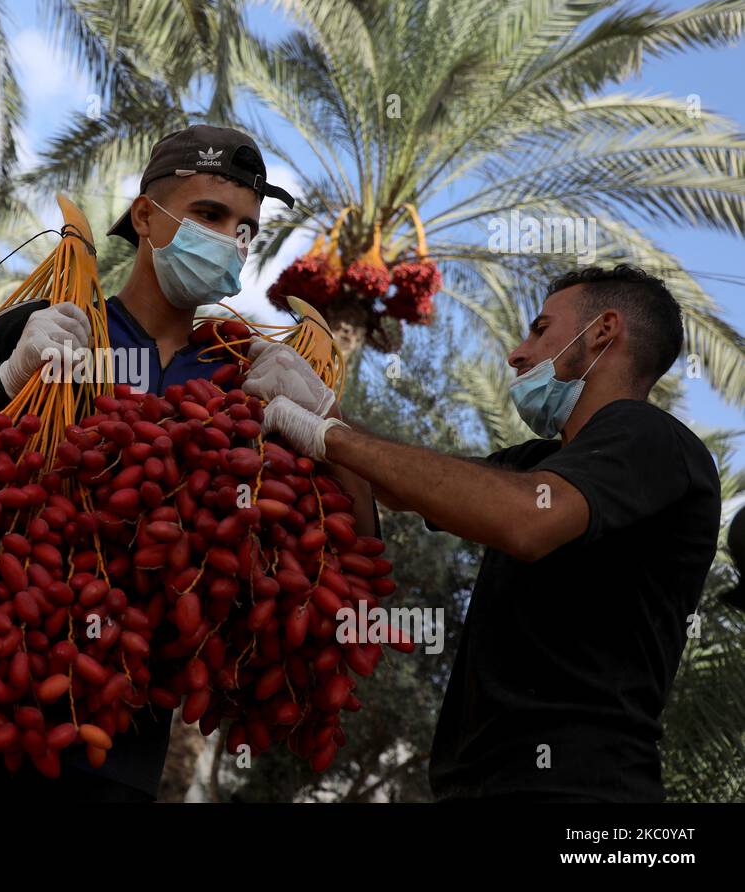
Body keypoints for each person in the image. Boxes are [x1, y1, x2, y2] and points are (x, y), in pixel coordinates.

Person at [0, 125, 375, 802]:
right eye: (209, 214)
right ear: (146, 217)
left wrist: (328, 424)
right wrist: (0, 381)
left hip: (111, 763)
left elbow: (357, 546)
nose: (230, 239)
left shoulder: (246, 374)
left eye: (246, 229)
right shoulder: (51, 323)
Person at [257, 264, 721, 802]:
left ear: (603, 331)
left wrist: (329, 435)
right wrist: (319, 408)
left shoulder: (653, 440)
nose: (518, 354)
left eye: (540, 329)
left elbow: (528, 520)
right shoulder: (539, 462)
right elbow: (408, 485)